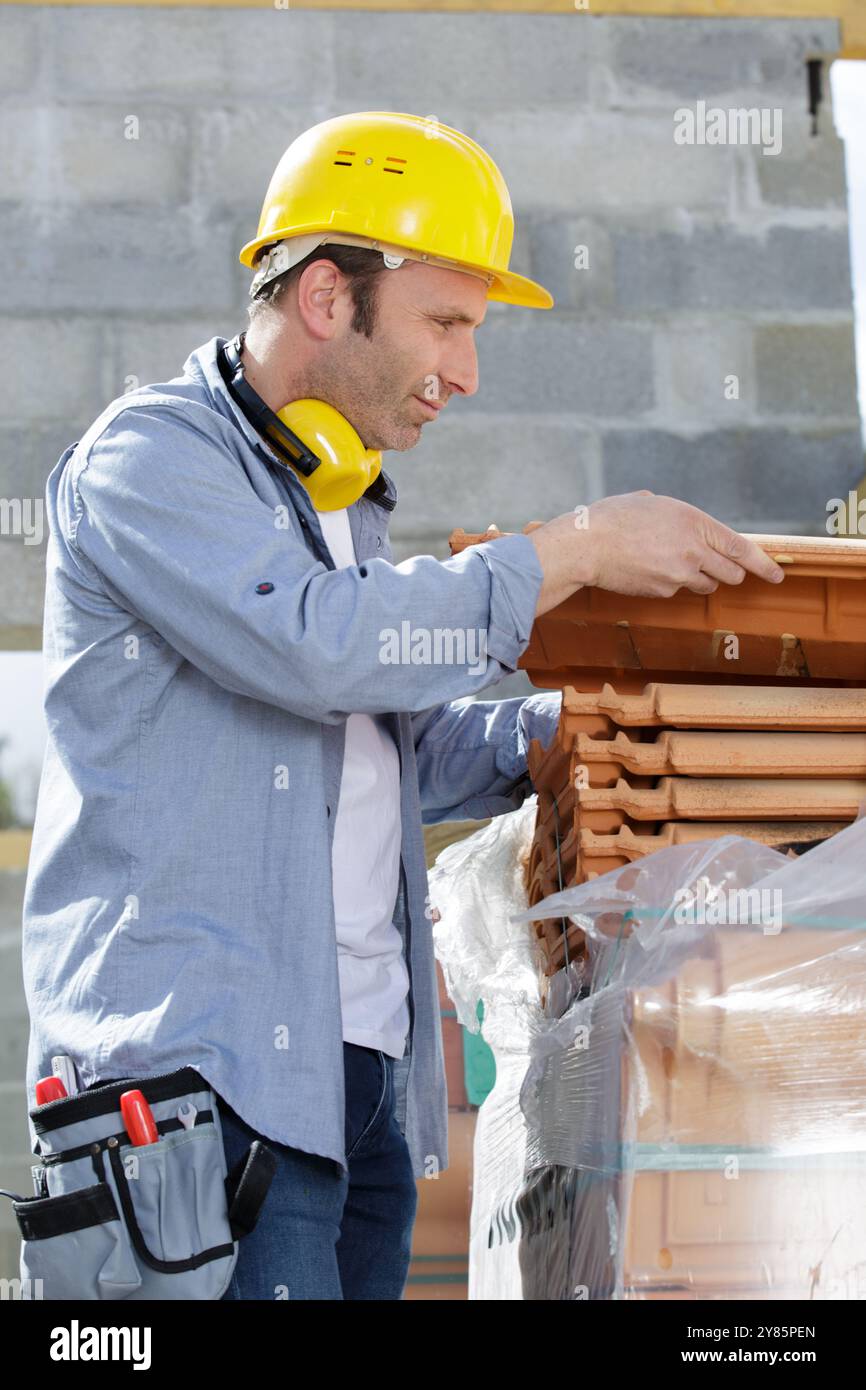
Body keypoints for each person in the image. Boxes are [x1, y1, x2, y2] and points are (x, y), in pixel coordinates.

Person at [20, 111, 785, 1302]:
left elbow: (378, 749)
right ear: (327, 296)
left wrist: (570, 735)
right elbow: (315, 649)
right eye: (446, 322)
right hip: (196, 1096)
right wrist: (570, 549)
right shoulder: (148, 463)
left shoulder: (338, 502)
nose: (466, 372)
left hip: (357, 1083)